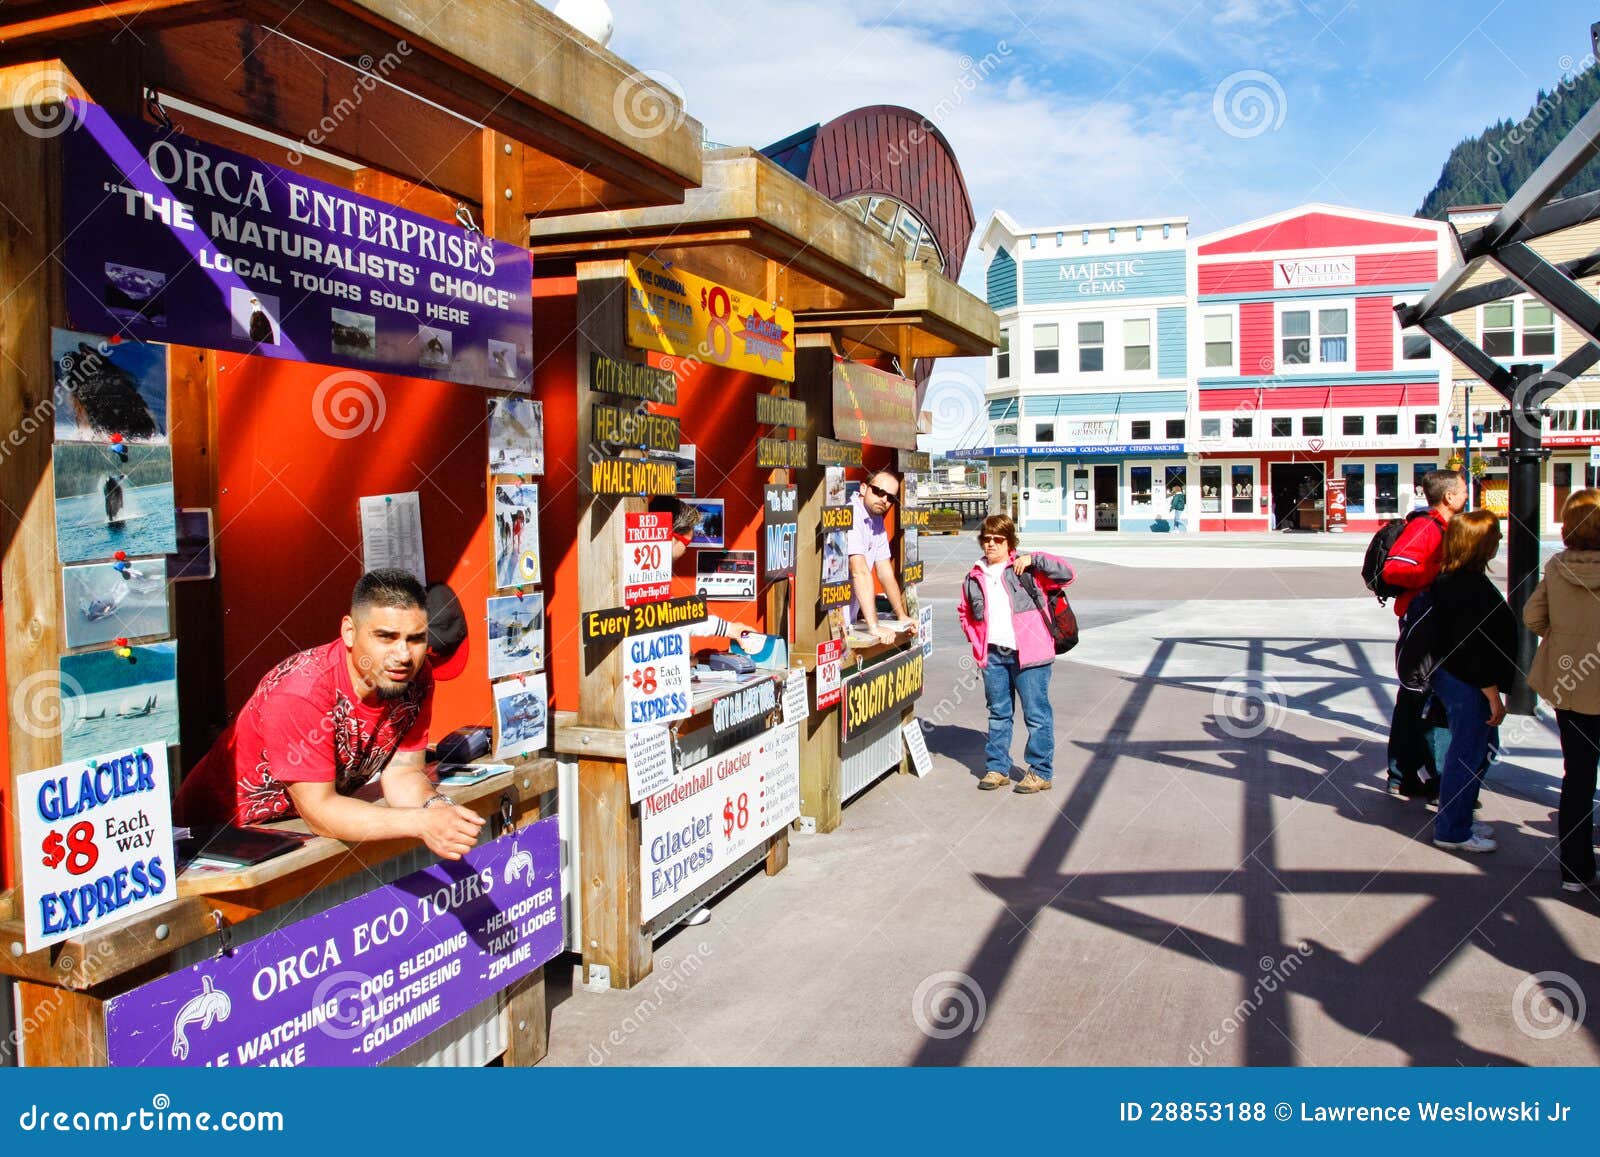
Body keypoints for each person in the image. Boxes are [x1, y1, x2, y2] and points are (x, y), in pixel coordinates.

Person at [173, 569, 485, 861]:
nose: (403, 655)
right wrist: (421, 822)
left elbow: (403, 775)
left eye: (415, 639)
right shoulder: (302, 691)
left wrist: (438, 810)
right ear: (349, 632)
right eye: (386, 637)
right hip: (216, 836)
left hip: (295, 830)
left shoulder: (415, 679)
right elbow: (321, 813)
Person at [957, 514, 1075, 795]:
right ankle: (997, 768)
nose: (991, 545)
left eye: (998, 539)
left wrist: (1036, 558)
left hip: (1030, 655)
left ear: (1010, 542)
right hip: (994, 655)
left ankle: (1040, 772)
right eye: (986, 539)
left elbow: (1067, 574)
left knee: (1036, 715)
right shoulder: (974, 576)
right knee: (998, 713)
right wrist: (977, 644)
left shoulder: (1026, 569)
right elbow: (965, 612)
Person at [1524, 488, 1600, 891]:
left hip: (1571, 684)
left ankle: (1575, 869)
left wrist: (1565, 637)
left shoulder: (1556, 566)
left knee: (1577, 777)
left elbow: (1532, 616)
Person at [1427, 510, 1515, 854]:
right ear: (1480, 544)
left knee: (1474, 751)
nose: (1500, 542)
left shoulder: (1449, 578)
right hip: (1469, 682)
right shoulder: (1468, 585)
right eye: (1495, 537)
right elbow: (1473, 648)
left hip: (1453, 676)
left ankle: (1458, 818)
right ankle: (1452, 830)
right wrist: (1493, 695)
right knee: (1467, 753)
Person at [1379, 469, 1467, 799]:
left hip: (1432, 621)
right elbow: (1396, 568)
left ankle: (1404, 774)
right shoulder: (1425, 527)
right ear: (1448, 497)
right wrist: (1440, 572)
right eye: (1462, 490)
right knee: (1428, 697)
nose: (1466, 495)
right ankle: (1437, 778)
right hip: (1423, 624)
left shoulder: (1442, 526)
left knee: (1415, 697)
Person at [848, 469, 911, 643]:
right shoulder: (851, 514)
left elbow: (884, 571)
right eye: (879, 492)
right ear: (863, 488)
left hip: (848, 618)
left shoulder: (876, 520)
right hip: (828, 619)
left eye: (890, 497)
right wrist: (874, 626)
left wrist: (901, 615)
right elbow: (859, 571)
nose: (884, 499)